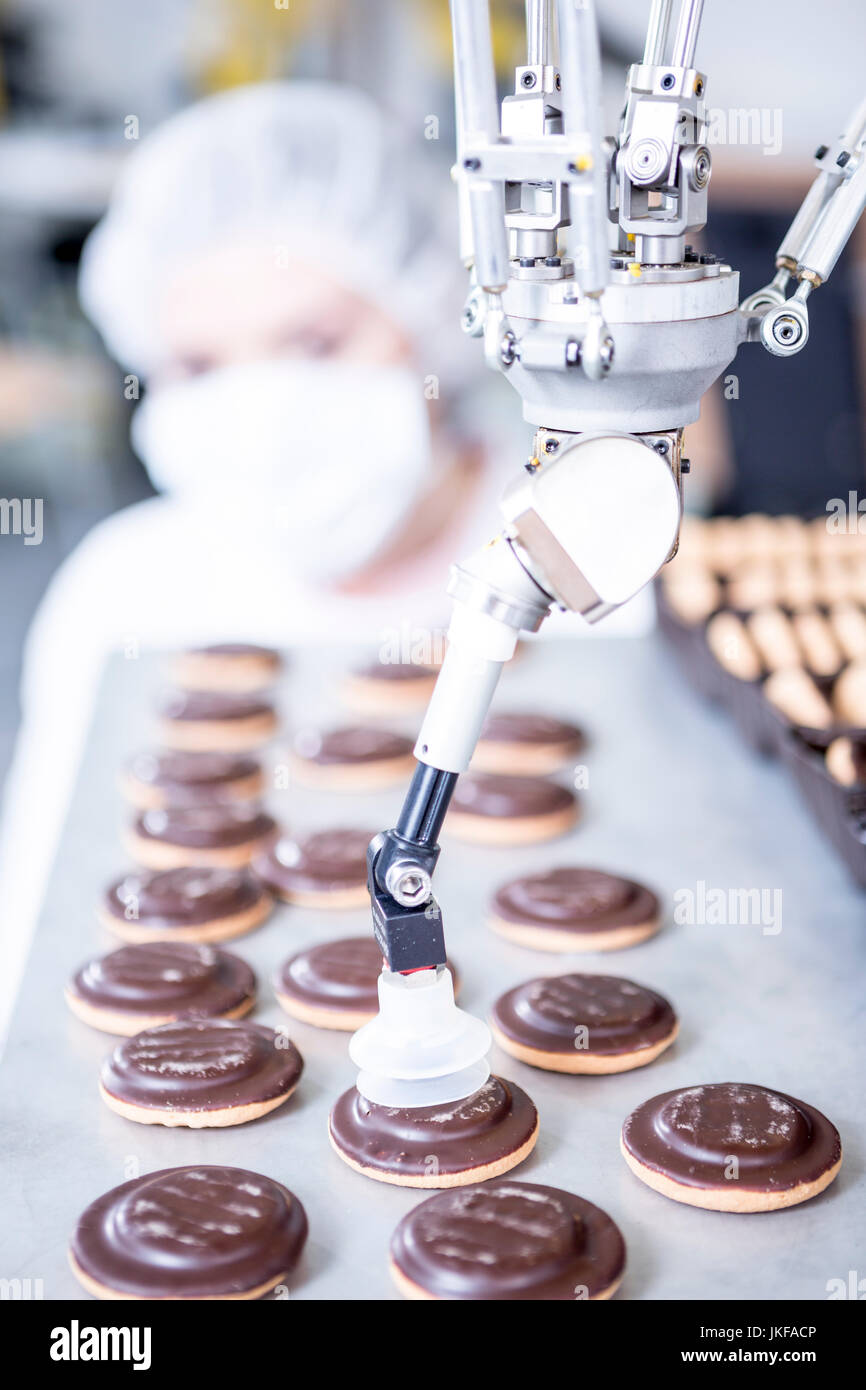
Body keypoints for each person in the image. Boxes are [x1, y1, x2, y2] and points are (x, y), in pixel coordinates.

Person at [0, 80, 650, 1040]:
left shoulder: (602, 566)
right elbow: (31, 927)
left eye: (314, 342)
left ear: (437, 316)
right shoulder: (123, 589)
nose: (262, 410)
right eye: (200, 367)